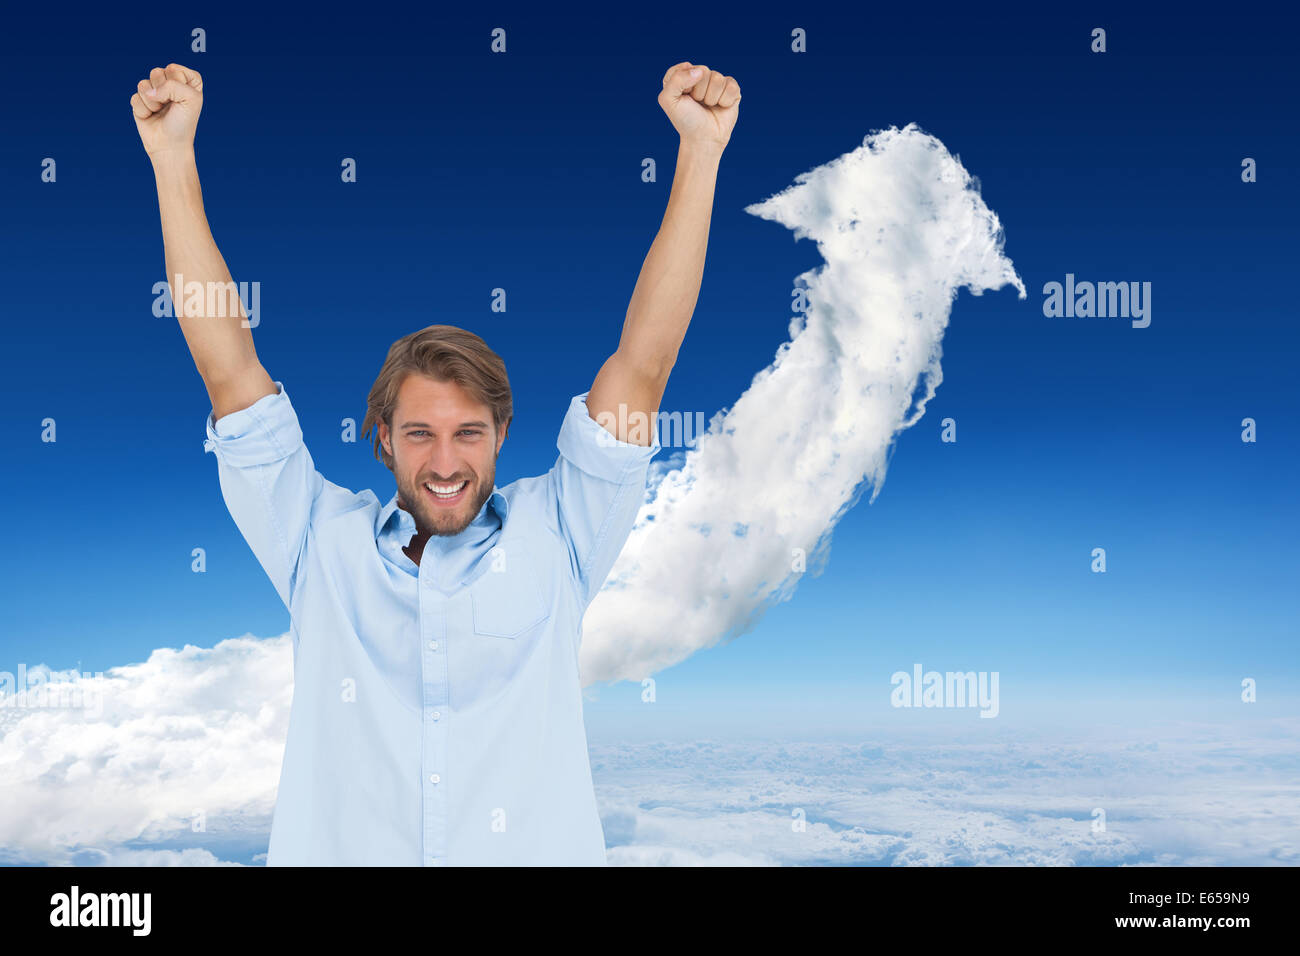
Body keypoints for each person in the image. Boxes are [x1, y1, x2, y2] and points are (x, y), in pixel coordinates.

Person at [130, 60, 741, 865]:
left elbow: (645, 362)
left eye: (468, 434)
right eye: (419, 434)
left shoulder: (561, 532)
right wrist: (172, 159)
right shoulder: (317, 541)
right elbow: (229, 372)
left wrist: (701, 152)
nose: (445, 461)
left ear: (501, 435)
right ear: (381, 438)